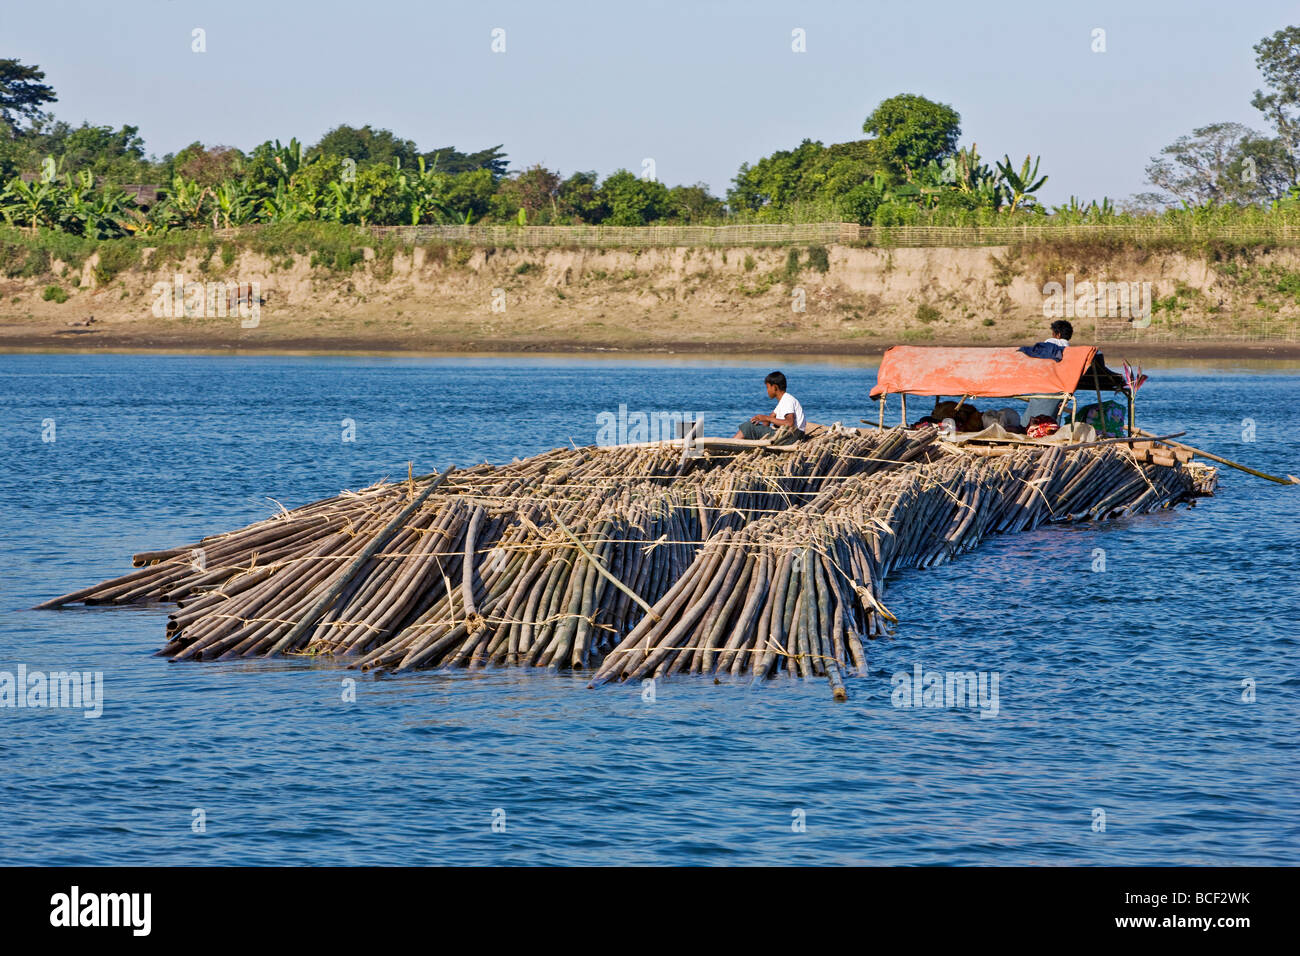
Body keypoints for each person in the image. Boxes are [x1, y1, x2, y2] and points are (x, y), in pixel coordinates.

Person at [1019, 320, 1073, 427]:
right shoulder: (1070, 351)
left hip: (1042, 386)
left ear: (1057, 335)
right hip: (1060, 390)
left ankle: (1028, 428)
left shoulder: (1048, 345)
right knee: (1053, 416)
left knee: (1030, 418)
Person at [733, 371, 806, 441]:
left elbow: (790, 423)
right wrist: (760, 424)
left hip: (791, 437)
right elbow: (771, 417)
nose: (767, 391)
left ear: (774, 387)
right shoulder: (783, 401)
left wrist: (766, 418)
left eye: (768, 387)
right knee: (752, 426)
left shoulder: (787, 400)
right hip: (788, 436)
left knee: (748, 427)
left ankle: (730, 444)